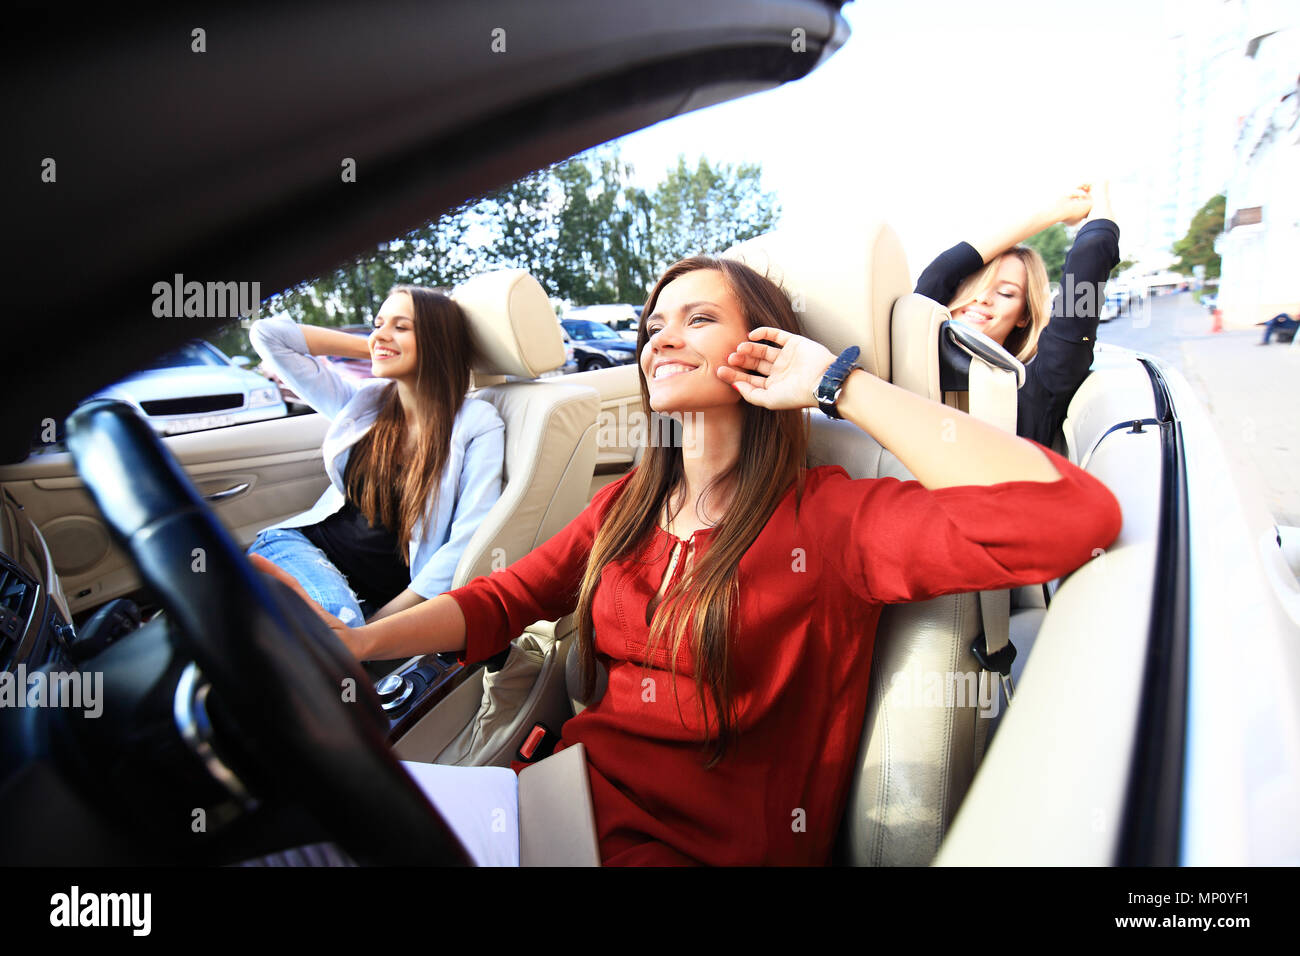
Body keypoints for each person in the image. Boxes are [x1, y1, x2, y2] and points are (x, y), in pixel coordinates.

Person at [253, 256, 1122, 866]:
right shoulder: (628, 502)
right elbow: (504, 599)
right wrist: (358, 644)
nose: (661, 339)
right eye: (652, 325)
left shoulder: (832, 518)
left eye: (699, 319)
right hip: (548, 804)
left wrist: (838, 384)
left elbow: (1071, 515)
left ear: (765, 350)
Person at [246, 286, 504, 627]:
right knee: (338, 630)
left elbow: (469, 539)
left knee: (326, 640)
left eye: (401, 326)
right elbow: (268, 335)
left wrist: (377, 627)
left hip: (369, 599)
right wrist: (381, 345)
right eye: (377, 324)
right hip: (298, 552)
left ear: (437, 340)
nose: (380, 334)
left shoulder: (477, 423)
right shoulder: (365, 402)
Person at [914, 182, 1121, 447]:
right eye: (973, 286)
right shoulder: (910, 360)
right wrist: (1054, 212)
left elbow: (1090, 265)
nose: (981, 298)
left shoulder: (1038, 388)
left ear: (1024, 317)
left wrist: (1099, 191)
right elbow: (941, 272)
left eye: (1006, 293)